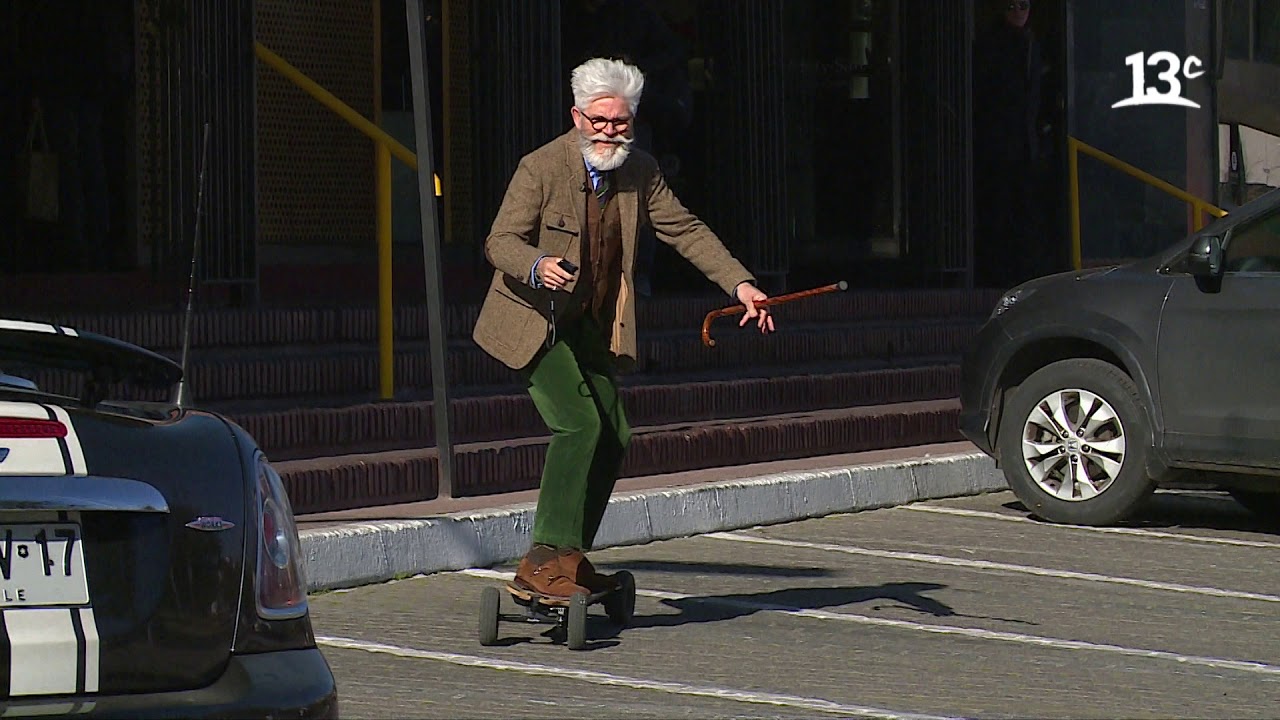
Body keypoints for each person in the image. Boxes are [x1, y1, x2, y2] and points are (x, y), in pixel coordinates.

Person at [471, 57, 775, 598]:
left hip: (590, 323)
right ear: (577, 116)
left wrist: (740, 285)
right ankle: (542, 558)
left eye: (621, 122)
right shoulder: (541, 167)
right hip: (533, 322)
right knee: (579, 425)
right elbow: (499, 241)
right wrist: (538, 265)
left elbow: (685, 229)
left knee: (615, 434)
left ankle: (567, 555)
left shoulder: (640, 171)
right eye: (599, 121)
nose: (610, 132)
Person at [972, 0, 1045, 288]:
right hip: (1000, 144)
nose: (1018, 12)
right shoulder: (993, 45)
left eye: (1023, 6)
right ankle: (999, 273)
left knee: (1022, 210)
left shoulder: (1031, 44)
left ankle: (1018, 272)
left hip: (1023, 144)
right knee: (1000, 210)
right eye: (1011, 6)